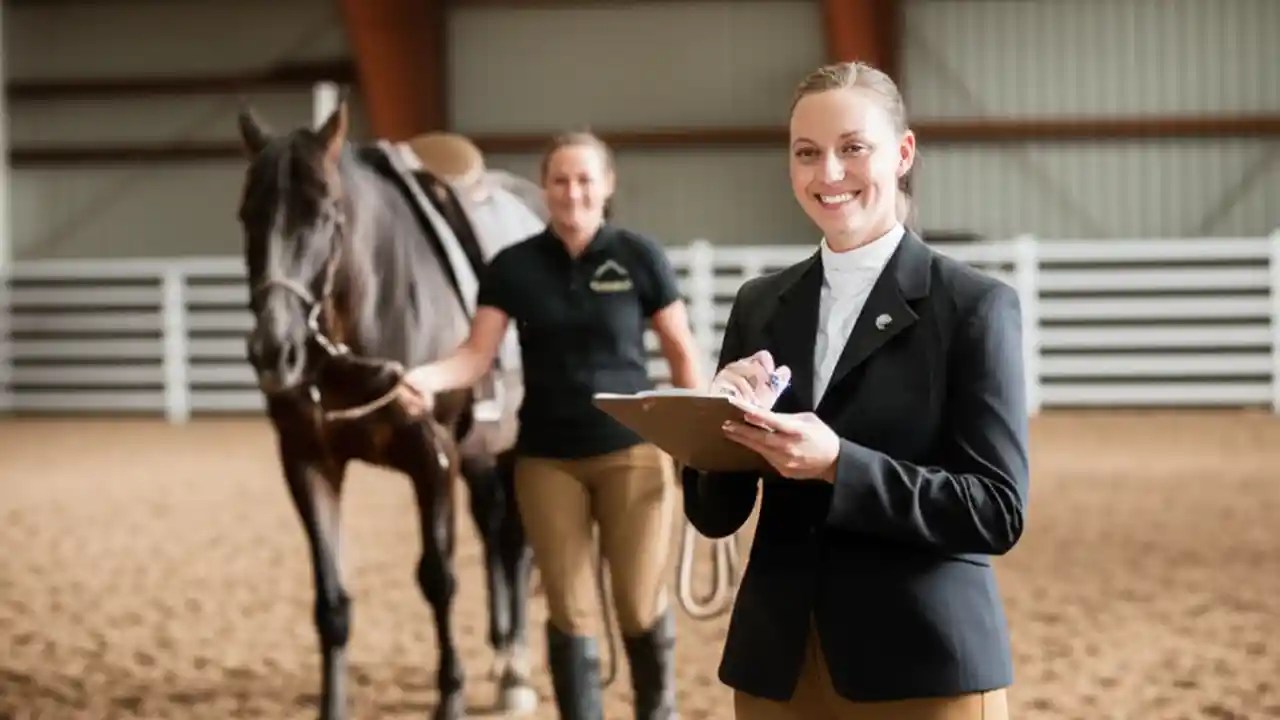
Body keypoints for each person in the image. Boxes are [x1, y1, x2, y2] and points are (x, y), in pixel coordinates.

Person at [681, 60, 1030, 720]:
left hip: (923, 666)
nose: (829, 175)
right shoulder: (759, 306)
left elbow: (996, 511)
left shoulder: (975, 308)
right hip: (776, 667)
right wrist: (713, 428)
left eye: (853, 149)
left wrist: (840, 465)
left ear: (902, 154)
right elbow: (715, 514)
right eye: (807, 154)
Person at [404, 130, 704, 720]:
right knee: (570, 609)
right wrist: (424, 380)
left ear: (607, 186)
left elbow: (682, 352)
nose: (572, 192)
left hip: (633, 453)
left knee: (639, 603)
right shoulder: (513, 267)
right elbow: (475, 355)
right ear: (545, 189)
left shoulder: (640, 258)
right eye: (561, 180)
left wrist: (696, 432)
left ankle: (658, 712)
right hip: (546, 460)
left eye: (585, 179)